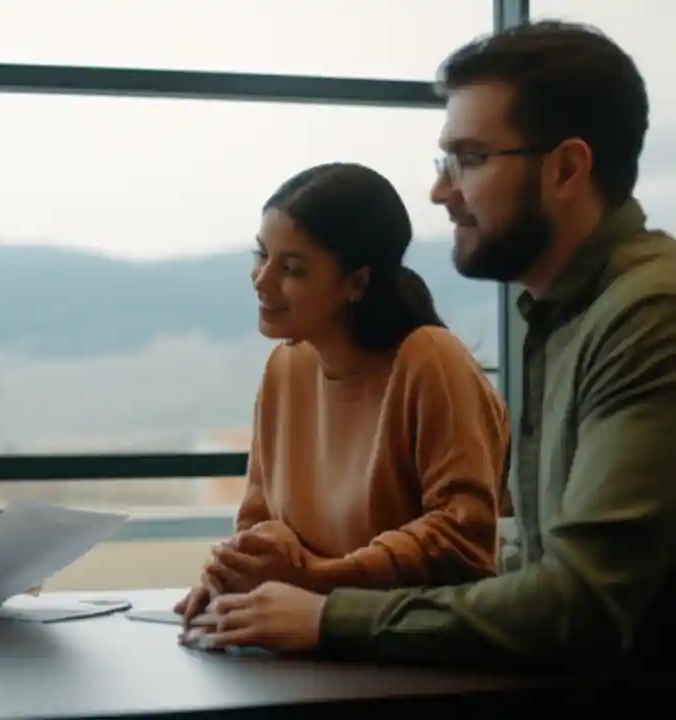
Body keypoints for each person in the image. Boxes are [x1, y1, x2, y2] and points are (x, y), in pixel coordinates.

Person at [182, 20, 676, 671]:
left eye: (470, 159)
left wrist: (330, 610)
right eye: (445, 162)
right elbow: (532, 572)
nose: (441, 191)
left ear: (566, 169)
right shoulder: (561, 318)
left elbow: (578, 604)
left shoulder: (648, 315)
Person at [175, 162, 509, 623]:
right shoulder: (286, 366)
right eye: (261, 256)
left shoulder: (430, 359)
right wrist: (231, 577)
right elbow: (260, 519)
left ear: (357, 282)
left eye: (291, 268)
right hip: (306, 634)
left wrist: (320, 578)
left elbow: (460, 540)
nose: (262, 279)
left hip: (412, 645)